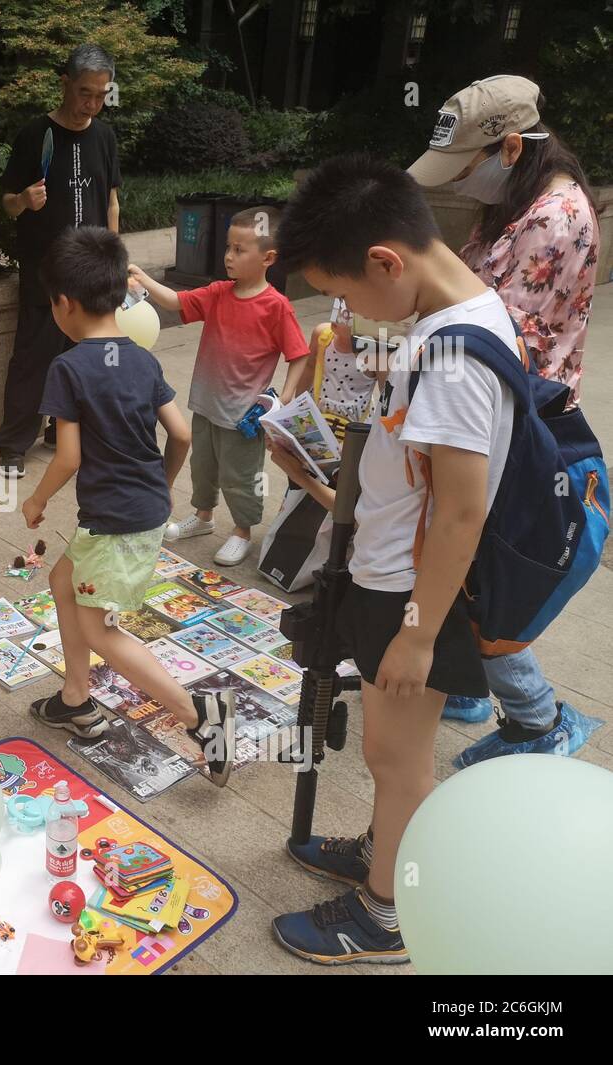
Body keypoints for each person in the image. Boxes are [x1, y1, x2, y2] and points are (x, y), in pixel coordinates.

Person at [269, 155, 520, 964]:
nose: (344, 309)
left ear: (387, 260)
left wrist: (417, 631)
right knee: (391, 753)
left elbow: (462, 510)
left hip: (413, 593)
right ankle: (387, 849)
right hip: (400, 576)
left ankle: (385, 912)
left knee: (396, 757)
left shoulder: (451, 359)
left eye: (344, 292)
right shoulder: (457, 319)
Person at [406, 75, 602, 765]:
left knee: (478, 569)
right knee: (464, 568)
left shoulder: (552, 217)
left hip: (518, 422)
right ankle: (462, 686)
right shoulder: (516, 201)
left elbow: (497, 334)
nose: (458, 184)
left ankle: (539, 717)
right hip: (492, 404)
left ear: (510, 147)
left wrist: (411, 354)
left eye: (464, 168)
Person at [20, 226, 236, 786]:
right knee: (63, 580)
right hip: (139, 514)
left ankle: (199, 716)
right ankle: (74, 696)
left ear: (63, 304)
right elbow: (182, 433)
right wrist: (164, 486)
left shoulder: (68, 368)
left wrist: (37, 499)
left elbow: (67, 456)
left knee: (101, 632)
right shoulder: (141, 360)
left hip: (113, 524)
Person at [130, 207, 311, 565]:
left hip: (243, 414)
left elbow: (299, 354)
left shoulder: (277, 307)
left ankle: (243, 530)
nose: (228, 256)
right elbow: (175, 302)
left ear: (268, 258)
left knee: (240, 477)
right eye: (228, 247)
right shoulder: (218, 293)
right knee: (203, 468)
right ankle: (203, 517)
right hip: (206, 404)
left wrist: (284, 399)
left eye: (239, 250)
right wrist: (142, 278)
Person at [0, 43, 122, 479]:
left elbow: (110, 202)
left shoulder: (105, 136)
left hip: (90, 270)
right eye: (85, 92)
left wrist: (115, 262)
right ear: (65, 84)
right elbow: (6, 204)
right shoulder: (35, 134)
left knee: (84, 359)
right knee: (33, 355)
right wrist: (24, 201)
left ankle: (61, 433)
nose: (92, 104)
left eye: (101, 95)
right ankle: (13, 444)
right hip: (44, 272)